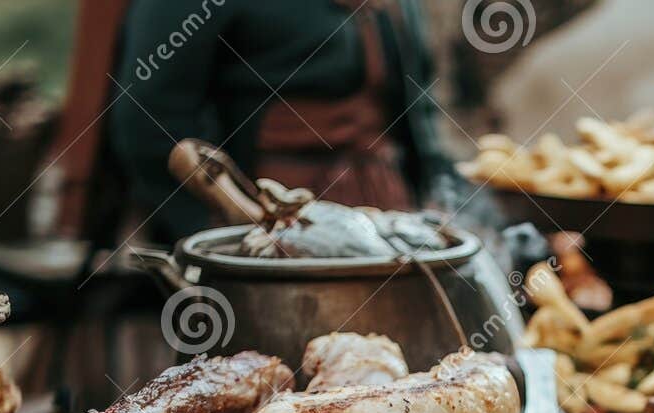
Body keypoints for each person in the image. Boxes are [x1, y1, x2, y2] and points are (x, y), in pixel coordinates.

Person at [57, 0, 451, 244]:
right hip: (275, 239)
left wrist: (439, 195)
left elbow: (419, 109)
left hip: (392, 230)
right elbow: (147, 115)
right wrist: (219, 237)